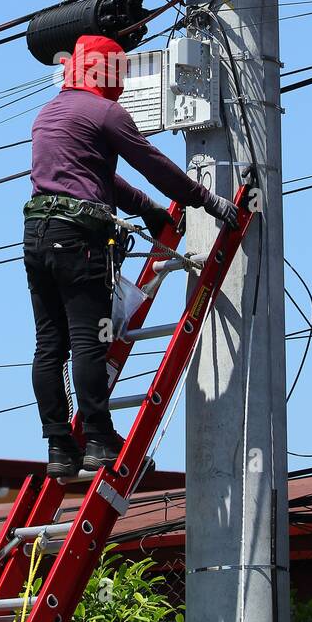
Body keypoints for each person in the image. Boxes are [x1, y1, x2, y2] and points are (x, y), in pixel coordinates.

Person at [24, 32, 240, 478]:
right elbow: (151, 163)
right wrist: (206, 200)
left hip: (37, 237)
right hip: (80, 239)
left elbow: (102, 177)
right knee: (87, 340)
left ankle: (59, 449)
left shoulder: (48, 115)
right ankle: (100, 441)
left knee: (49, 345)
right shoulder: (105, 112)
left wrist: (145, 209)